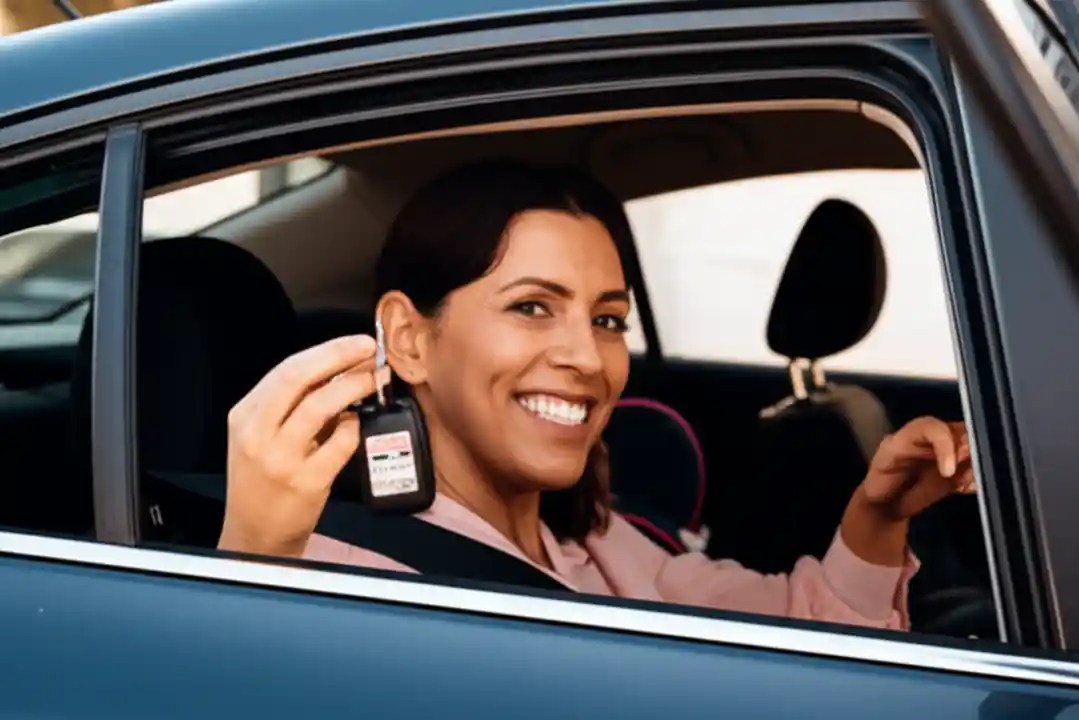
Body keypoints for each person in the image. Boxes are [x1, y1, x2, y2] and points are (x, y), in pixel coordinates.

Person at [217, 159, 975, 631]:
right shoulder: (330, 574)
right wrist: (253, 565)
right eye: (532, 307)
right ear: (409, 340)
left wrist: (877, 516)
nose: (588, 357)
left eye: (608, 319)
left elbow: (804, 643)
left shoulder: (596, 546)